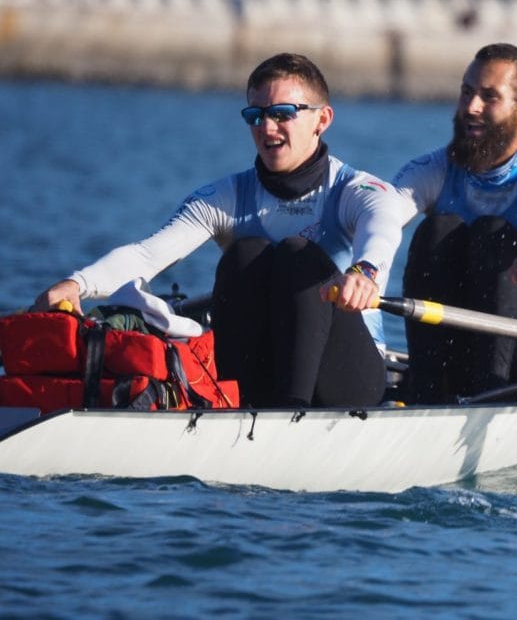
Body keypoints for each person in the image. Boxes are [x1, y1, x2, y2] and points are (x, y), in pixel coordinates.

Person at [33, 52, 404, 409]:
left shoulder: (355, 191)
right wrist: (76, 284)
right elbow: (147, 255)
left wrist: (365, 271)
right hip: (262, 372)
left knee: (297, 254)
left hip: (349, 379)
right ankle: (237, 405)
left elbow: (382, 229)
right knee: (246, 254)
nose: (266, 127)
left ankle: (293, 410)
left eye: (282, 114)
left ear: (321, 120)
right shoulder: (226, 197)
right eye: (255, 115)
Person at [389, 42, 517, 404]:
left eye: (489, 97)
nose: (471, 108)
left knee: (492, 234)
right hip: (466, 343)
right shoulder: (432, 170)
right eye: (467, 92)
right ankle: (428, 385)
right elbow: (383, 217)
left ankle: (487, 392)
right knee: (435, 230)